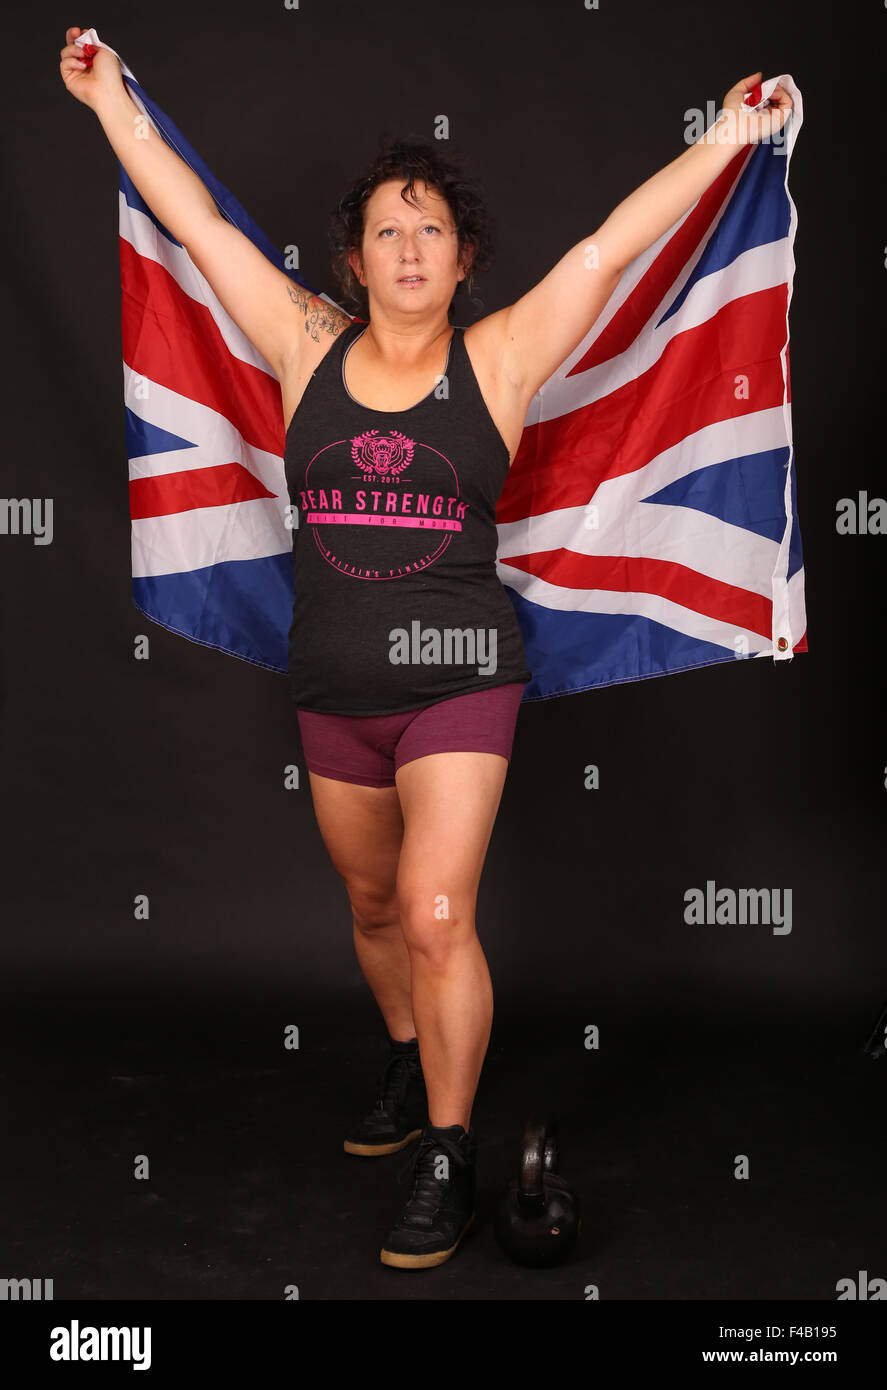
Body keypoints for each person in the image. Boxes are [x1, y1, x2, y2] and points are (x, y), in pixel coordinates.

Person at [59, 28, 791, 1270]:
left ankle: (447, 1152)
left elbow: (608, 249)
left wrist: (727, 131)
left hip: (462, 679)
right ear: (353, 261)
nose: (408, 249)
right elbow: (198, 227)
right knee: (372, 905)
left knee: (435, 907)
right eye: (387, 232)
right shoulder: (302, 345)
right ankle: (407, 1064)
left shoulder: (497, 358)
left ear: (462, 262)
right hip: (333, 690)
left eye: (431, 231)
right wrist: (107, 99)